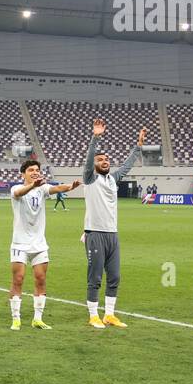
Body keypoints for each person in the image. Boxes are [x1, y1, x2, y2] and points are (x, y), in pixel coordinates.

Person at [82, 118, 146, 329]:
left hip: (112, 234)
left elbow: (127, 166)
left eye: (106, 159)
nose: (104, 161)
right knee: (95, 277)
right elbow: (90, 158)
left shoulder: (112, 178)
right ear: (94, 164)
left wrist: (138, 147)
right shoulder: (90, 178)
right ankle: (93, 315)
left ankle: (109, 314)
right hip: (95, 234)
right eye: (100, 160)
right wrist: (95, 137)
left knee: (115, 276)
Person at [8, 160, 80, 330]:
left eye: (37, 170)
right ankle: (16, 318)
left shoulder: (42, 189)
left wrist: (71, 186)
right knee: (18, 279)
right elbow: (19, 193)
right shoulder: (16, 188)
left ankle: (37, 319)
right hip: (20, 243)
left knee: (40, 279)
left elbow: (57, 188)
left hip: (39, 243)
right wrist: (33, 185)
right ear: (23, 174)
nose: (35, 172)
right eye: (31, 170)